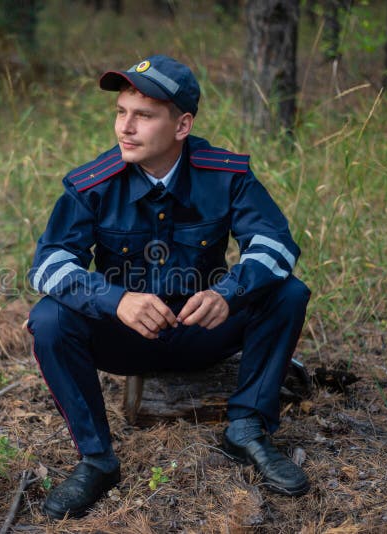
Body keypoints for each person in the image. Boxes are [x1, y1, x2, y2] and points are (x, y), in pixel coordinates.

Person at [27, 54, 311, 520]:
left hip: (204, 330)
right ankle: (97, 459)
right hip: (125, 341)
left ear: (182, 125)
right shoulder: (93, 184)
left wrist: (230, 292)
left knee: (287, 292)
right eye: (121, 112)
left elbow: (276, 245)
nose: (125, 127)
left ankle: (247, 429)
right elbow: (48, 264)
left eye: (143, 115)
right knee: (48, 319)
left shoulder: (225, 174)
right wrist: (115, 300)